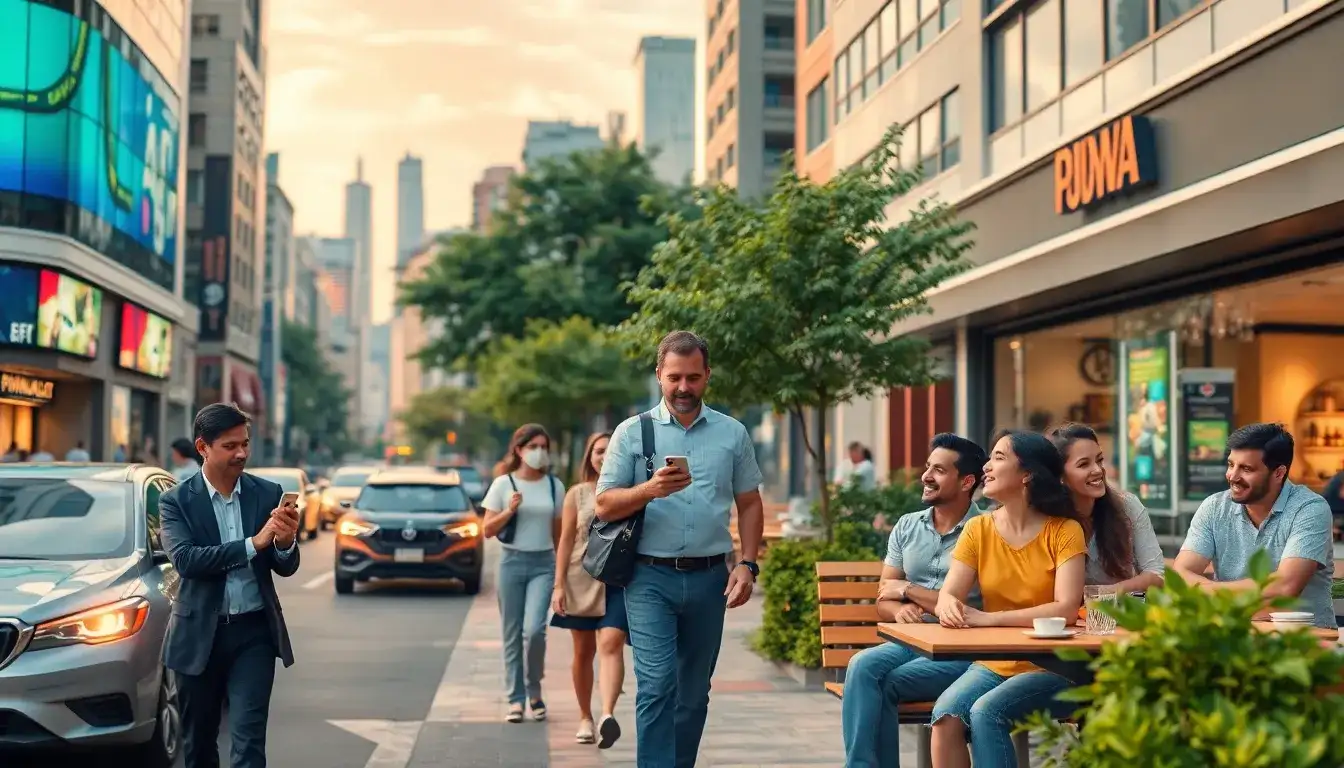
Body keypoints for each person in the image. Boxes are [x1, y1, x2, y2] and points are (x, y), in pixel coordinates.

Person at [595, 330, 764, 768]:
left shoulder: (732, 433)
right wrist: (650, 489)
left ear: (707, 375)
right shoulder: (632, 434)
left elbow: (749, 502)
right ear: (659, 376)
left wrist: (747, 563)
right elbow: (604, 503)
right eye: (674, 378)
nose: (683, 388)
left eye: (693, 377)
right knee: (656, 685)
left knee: (693, 693)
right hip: (649, 577)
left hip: (711, 579)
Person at [929, 430, 1087, 767]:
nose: (986, 466)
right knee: (946, 716)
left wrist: (989, 618)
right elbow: (949, 595)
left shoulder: (1064, 531)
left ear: (1027, 474)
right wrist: (948, 606)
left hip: (1055, 665)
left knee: (987, 712)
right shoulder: (978, 529)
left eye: (999, 458)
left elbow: (1067, 609)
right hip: (995, 662)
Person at [158, 403, 302, 768]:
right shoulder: (176, 501)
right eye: (230, 446)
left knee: (249, 744)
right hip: (198, 636)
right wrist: (253, 544)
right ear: (203, 448)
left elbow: (284, 566)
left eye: (245, 444)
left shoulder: (267, 493)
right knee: (200, 745)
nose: (241, 453)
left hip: (253, 634)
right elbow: (188, 561)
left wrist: (284, 542)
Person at [842, 433, 987, 768]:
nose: (926, 476)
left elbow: (958, 608)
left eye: (938, 470)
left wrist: (907, 590)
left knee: (884, 682)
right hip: (912, 640)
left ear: (967, 481)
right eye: (927, 467)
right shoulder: (908, 525)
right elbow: (883, 598)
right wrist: (900, 607)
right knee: (862, 666)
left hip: (961, 648)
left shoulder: (985, 530)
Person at [1172, 423, 1335, 627]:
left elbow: (1285, 588)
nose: (1232, 476)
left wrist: (1205, 590)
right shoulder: (1214, 507)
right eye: (1231, 464)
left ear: (1278, 473)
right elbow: (1180, 575)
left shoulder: (1310, 509)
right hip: (1232, 636)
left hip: (1302, 640)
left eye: (1246, 469)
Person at [481, 424, 565, 724]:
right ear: (518, 450)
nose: (539, 452)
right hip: (511, 563)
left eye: (543, 446)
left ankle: (535, 690)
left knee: (534, 631)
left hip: (543, 564)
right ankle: (516, 699)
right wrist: (509, 511)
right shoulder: (504, 484)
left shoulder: (555, 486)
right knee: (512, 633)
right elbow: (488, 530)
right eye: (533, 446)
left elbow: (560, 536)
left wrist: (561, 577)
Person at [551, 432, 629, 748]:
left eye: (610, 450)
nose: (604, 455)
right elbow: (565, 541)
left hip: (618, 580)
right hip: (579, 580)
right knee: (583, 652)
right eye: (598, 451)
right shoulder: (577, 495)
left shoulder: (630, 491)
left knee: (611, 641)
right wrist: (558, 586)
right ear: (590, 457)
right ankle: (586, 716)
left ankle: (608, 714)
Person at [1048, 423, 1164, 593]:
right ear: (1060, 477)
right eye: (1083, 464)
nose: (1097, 470)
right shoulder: (1046, 519)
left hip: (1120, 616)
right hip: (1062, 618)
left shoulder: (1127, 507)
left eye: (1099, 460)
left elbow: (1157, 575)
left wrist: (1103, 594)